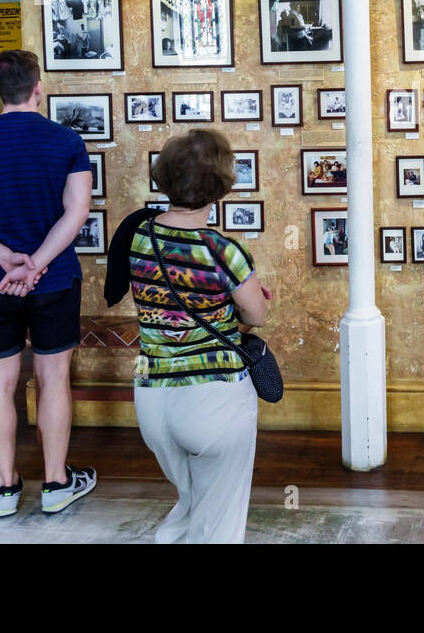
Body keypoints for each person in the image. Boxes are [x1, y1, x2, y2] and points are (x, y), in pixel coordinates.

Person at [0, 49, 97, 518]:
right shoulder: (66, 140)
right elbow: (78, 211)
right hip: (55, 280)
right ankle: (56, 483)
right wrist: (38, 263)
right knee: (53, 381)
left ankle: (6, 489)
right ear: (38, 87)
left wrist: (6, 258)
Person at [111, 130, 271, 543]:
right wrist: (242, 306)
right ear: (220, 187)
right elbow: (257, 314)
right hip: (212, 400)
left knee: (191, 502)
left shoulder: (137, 235)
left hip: (152, 400)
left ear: (163, 176)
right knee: (219, 522)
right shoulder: (222, 251)